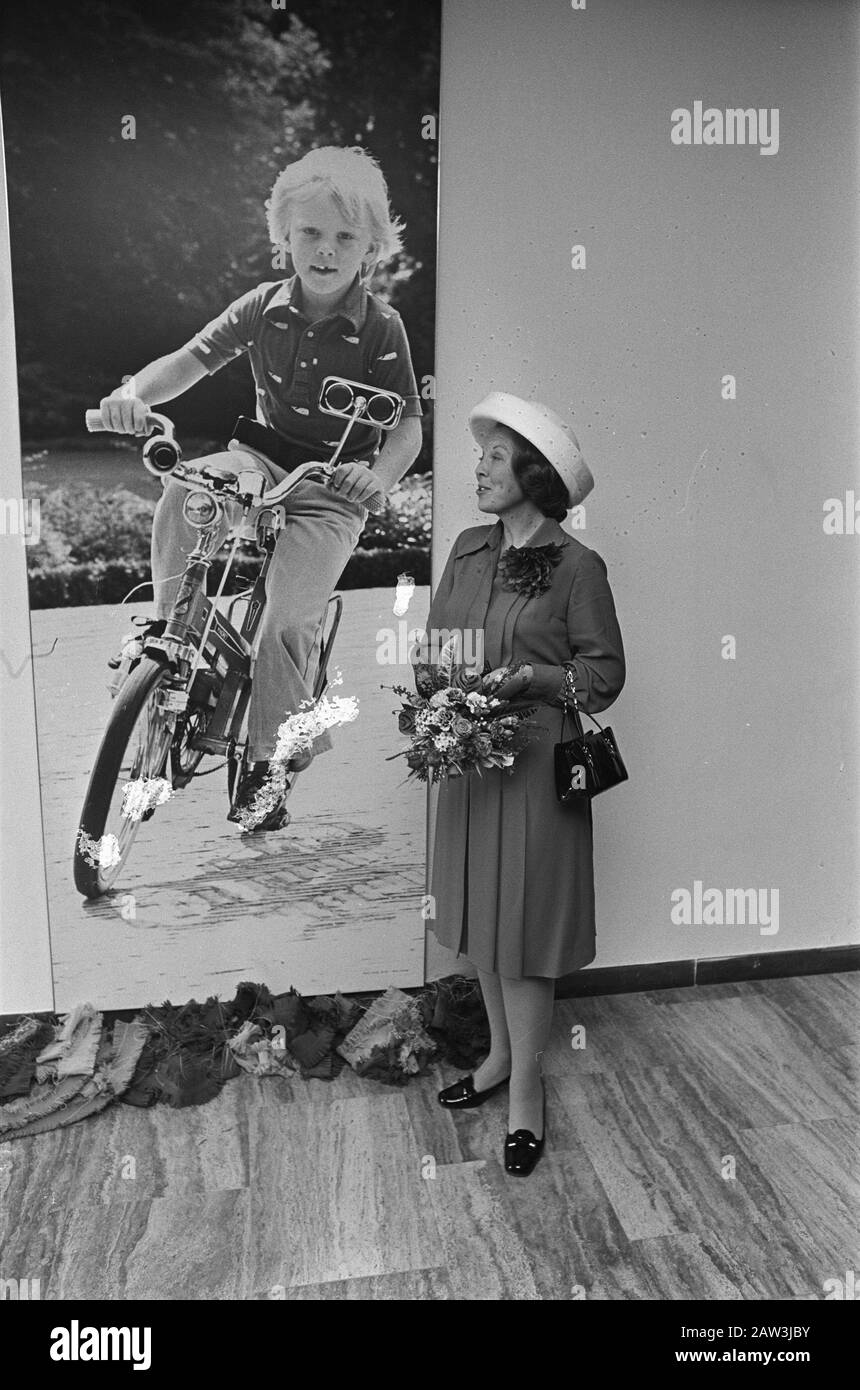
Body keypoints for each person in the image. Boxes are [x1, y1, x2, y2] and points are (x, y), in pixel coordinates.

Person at [97, 146, 423, 827]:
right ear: (283, 236)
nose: (325, 251)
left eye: (344, 237)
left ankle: (273, 767)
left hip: (330, 488)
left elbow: (408, 426)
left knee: (284, 625)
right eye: (309, 233)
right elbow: (190, 359)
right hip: (259, 460)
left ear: (372, 245)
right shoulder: (263, 307)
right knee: (191, 491)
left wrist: (379, 475)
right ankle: (171, 636)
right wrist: (132, 392)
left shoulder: (380, 328)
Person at [425, 392, 625, 1175]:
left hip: (538, 768)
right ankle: (500, 1057)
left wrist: (531, 679)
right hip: (470, 763)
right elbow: (442, 641)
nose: (478, 466)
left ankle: (527, 1095)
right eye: (481, 455)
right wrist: (436, 692)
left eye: (495, 457)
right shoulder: (469, 548)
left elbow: (603, 676)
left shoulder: (579, 568)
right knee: (481, 918)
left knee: (526, 935)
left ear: (535, 475)